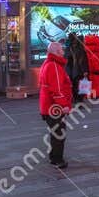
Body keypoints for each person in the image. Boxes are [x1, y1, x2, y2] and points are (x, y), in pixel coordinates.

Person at [38, 41, 73, 171]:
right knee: (59, 133)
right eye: (61, 50)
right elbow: (56, 90)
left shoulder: (48, 63)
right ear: (57, 52)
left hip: (48, 106)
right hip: (54, 107)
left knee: (55, 132)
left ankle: (53, 157)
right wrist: (64, 105)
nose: (63, 52)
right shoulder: (54, 66)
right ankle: (58, 160)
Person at [82, 30, 99, 100]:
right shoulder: (98, 52)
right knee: (96, 84)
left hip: (86, 70)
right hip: (96, 70)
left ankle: (86, 95)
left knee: (85, 83)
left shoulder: (84, 51)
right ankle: (95, 95)